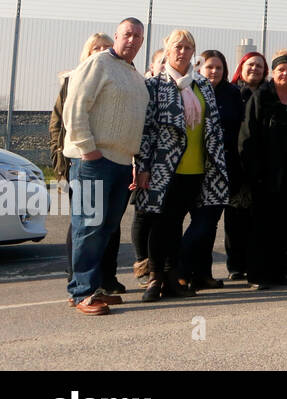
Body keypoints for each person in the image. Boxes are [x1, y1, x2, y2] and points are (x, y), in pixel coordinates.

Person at [63, 18, 150, 315]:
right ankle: (82, 292)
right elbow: (75, 106)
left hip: (123, 164)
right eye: (128, 34)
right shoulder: (98, 63)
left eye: (138, 36)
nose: (133, 40)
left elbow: (136, 124)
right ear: (117, 36)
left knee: (106, 228)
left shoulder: (135, 76)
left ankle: (93, 286)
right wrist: (88, 149)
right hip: (94, 162)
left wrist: (137, 162)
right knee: (88, 226)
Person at [136, 29, 230, 301]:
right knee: (161, 224)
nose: (182, 52)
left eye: (188, 47)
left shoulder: (202, 85)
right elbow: (146, 130)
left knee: (177, 224)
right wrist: (143, 165)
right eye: (177, 46)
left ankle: (172, 277)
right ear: (167, 50)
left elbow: (212, 127)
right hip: (164, 168)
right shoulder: (155, 85)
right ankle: (155, 278)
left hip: (197, 167)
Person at [239, 50, 287, 289]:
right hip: (265, 175)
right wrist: (253, 172)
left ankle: (280, 271)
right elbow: (248, 136)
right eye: (281, 69)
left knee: (284, 224)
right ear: (274, 71)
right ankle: (258, 274)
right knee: (262, 226)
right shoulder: (261, 97)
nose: (286, 73)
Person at [51, 33, 117, 288]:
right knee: (85, 222)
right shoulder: (73, 80)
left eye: (106, 47)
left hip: (112, 160)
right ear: (86, 53)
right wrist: (61, 159)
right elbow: (58, 124)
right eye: (95, 47)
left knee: (108, 222)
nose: (101, 51)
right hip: (81, 160)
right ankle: (77, 276)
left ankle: (106, 278)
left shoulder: (117, 79)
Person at [190, 49, 245, 288]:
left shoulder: (233, 94)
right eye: (209, 67)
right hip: (194, 166)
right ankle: (182, 269)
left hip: (223, 168)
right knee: (198, 222)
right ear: (200, 69)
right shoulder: (192, 90)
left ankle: (203, 274)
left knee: (209, 223)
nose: (214, 72)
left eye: (219, 68)